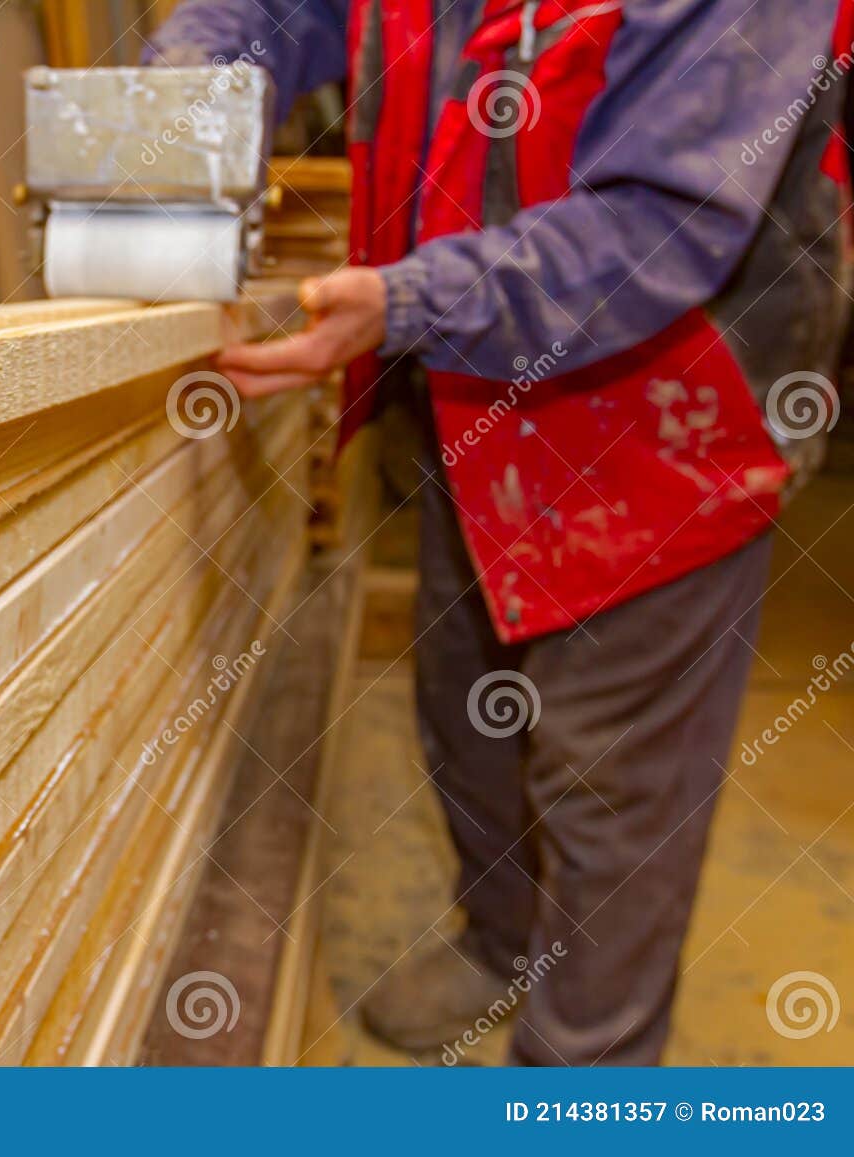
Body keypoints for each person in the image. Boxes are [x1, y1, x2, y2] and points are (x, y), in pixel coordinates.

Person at [149, 0, 852, 1065]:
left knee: (611, 787)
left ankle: (584, 1068)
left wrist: (409, 301)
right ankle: (502, 942)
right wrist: (183, 101)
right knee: (467, 712)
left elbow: (663, 219)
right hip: (471, 385)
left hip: (667, 422)